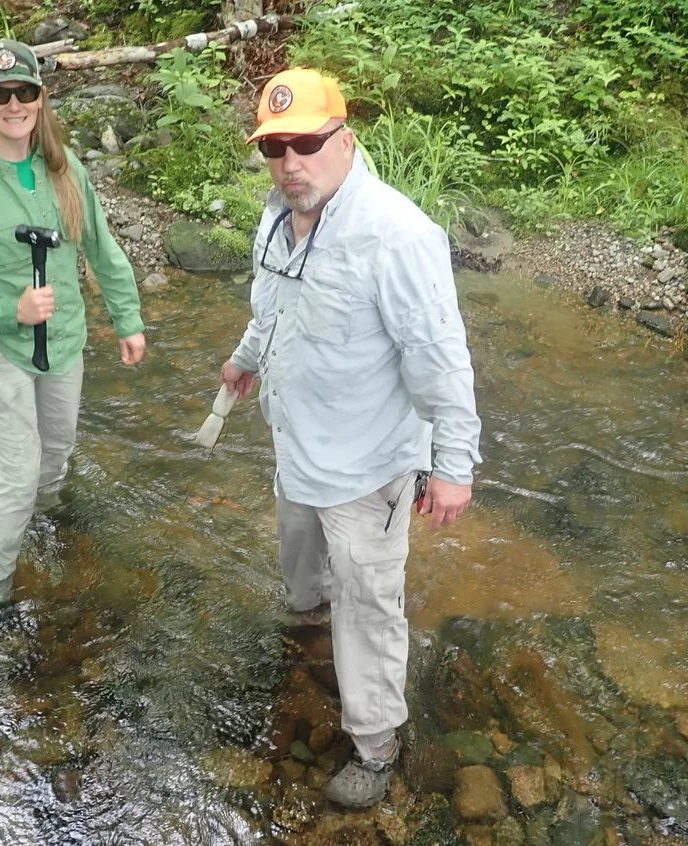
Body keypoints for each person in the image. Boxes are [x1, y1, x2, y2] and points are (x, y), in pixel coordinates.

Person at [218, 68, 483, 808]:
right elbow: (272, 303)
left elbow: (441, 360)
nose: (290, 161)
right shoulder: (275, 215)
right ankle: (305, 623)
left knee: (368, 603)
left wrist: (453, 465)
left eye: (306, 141)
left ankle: (375, 745)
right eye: (275, 147)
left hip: (371, 468)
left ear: (345, 138)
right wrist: (245, 358)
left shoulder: (397, 235)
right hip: (296, 447)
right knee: (303, 578)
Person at [0, 39, 147, 607]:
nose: (12, 104)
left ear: (40, 98)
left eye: (23, 92)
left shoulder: (64, 172)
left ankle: (45, 529)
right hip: (2, 351)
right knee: (17, 476)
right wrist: (4, 311)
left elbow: (104, 249)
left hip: (65, 342)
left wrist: (127, 319)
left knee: (57, 452)